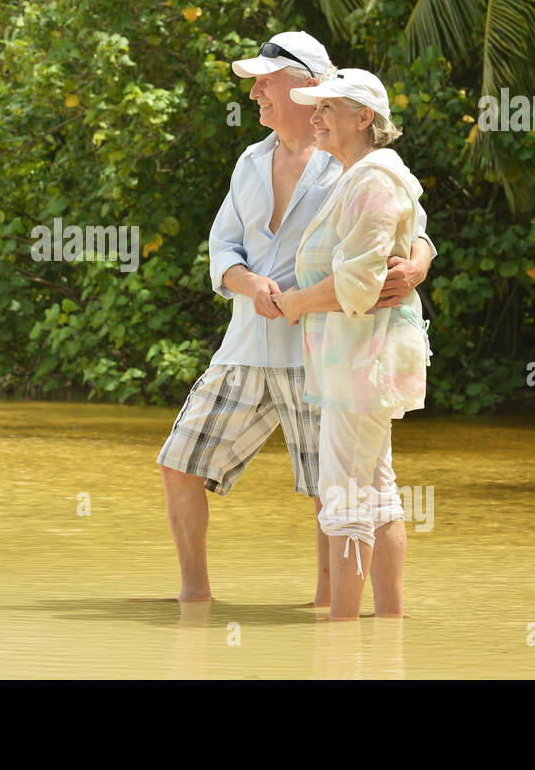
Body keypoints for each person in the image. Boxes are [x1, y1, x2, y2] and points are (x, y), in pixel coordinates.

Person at [157, 32, 436, 604]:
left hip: (324, 351)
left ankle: (329, 611)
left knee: (335, 490)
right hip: (247, 345)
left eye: (266, 80)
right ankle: (195, 597)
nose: (255, 92)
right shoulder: (250, 162)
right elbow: (222, 250)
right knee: (179, 463)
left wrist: (418, 266)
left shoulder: (350, 159)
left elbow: (414, 226)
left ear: (307, 85)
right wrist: (250, 284)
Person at [273, 68, 432, 620]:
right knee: (377, 490)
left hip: (362, 359)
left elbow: (358, 286)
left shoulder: (373, 179)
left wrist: (294, 303)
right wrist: (420, 258)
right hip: (356, 357)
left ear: (364, 118)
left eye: (326, 108)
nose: (314, 117)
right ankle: (388, 630)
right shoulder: (360, 174)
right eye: (314, 108)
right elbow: (414, 235)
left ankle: (339, 638)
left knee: (343, 492)